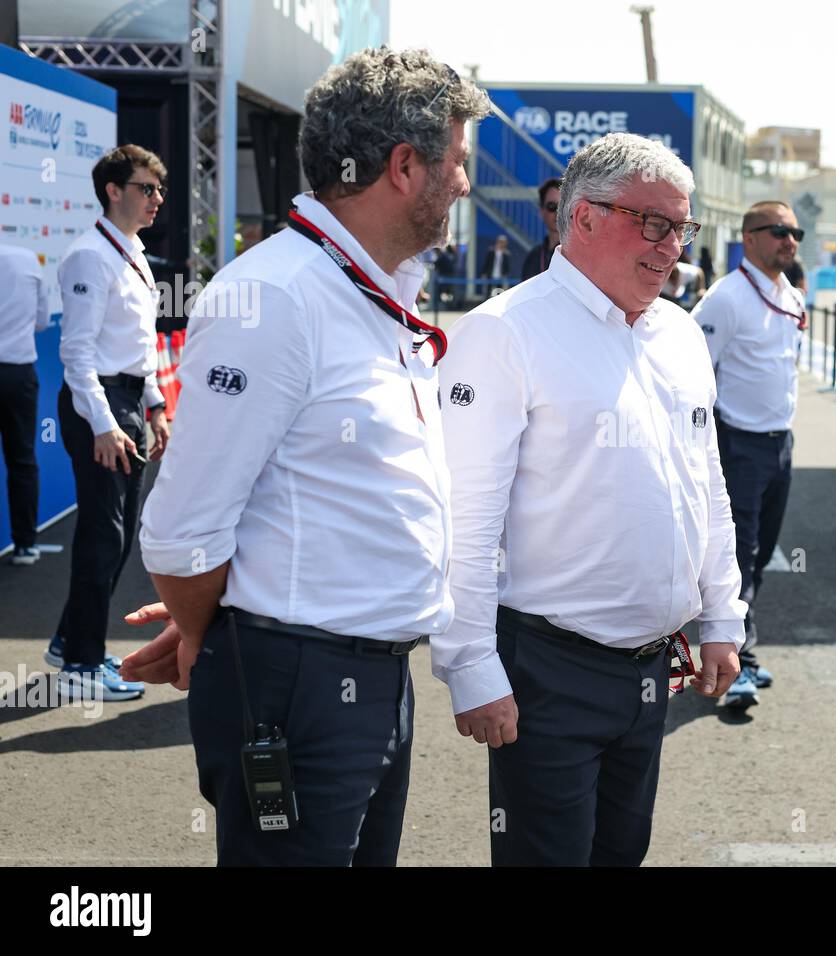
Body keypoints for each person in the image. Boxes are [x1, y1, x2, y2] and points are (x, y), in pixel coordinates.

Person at [120, 48, 491, 866]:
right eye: (457, 162)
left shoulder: (364, 292)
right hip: (301, 686)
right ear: (404, 166)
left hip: (367, 680)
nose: (463, 183)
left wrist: (209, 629)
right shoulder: (280, 297)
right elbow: (183, 534)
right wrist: (210, 633)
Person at [435, 132, 745, 866]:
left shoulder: (679, 334)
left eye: (682, 227)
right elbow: (464, 520)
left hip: (649, 672)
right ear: (585, 218)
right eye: (654, 223)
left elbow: (708, 483)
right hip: (547, 670)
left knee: (620, 856)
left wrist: (722, 615)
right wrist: (469, 665)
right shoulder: (504, 332)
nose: (673, 246)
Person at [43, 145, 172, 700]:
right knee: (103, 536)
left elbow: (132, 348)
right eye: (147, 188)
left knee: (116, 538)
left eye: (159, 190)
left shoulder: (131, 251)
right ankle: (80, 664)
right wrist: (103, 425)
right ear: (113, 191)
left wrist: (156, 405)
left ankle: (72, 640)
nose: (156, 199)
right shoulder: (90, 257)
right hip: (96, 407)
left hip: (124, 403)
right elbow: (78, 356)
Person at [690, 200, 805, 708]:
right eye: (779, 231)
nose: (790, 240)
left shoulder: (790, 296)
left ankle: (742, 652)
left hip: (780, 444)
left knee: (758, 555)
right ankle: (731, 665)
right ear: (750, 237)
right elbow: (693, 375)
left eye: (795, 231)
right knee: (735, 556)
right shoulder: (725, 298)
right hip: (738, 444)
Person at [0, 244, 50, 566]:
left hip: (18, 370)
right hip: (18, 372)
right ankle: (25, 545)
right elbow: (43, 321)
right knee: (22, 460)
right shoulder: (26, 259)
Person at [520, 177, 561, 281]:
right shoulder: (533, 257)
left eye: (563, 206)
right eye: (552, 206)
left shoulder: (580, 256)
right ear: (541, 211)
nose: (558, 213)